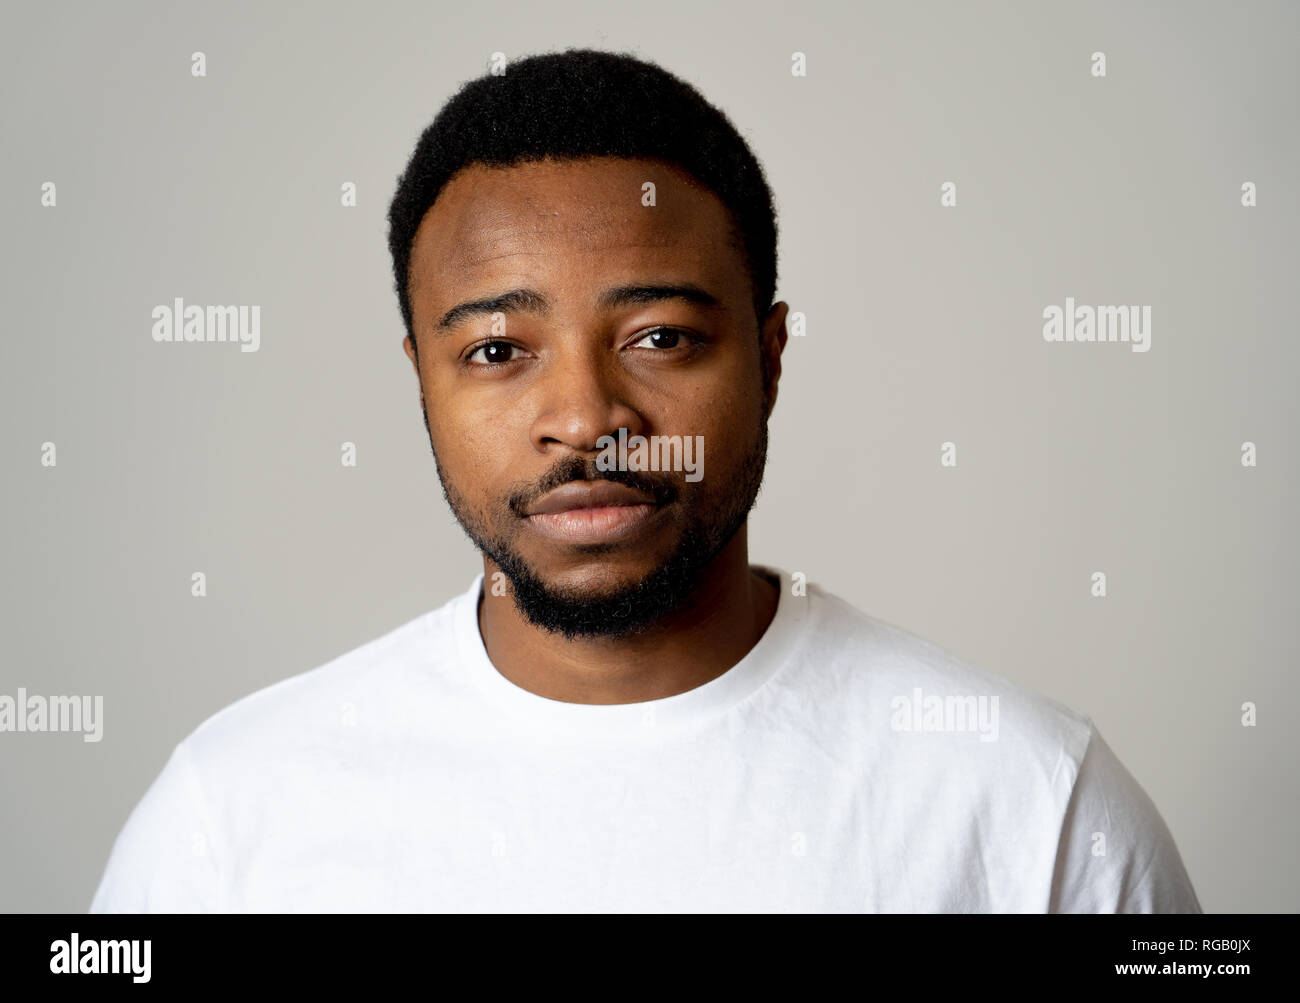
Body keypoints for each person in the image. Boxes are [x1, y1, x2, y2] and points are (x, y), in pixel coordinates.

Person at [90, 48, 1200, 913]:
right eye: (494, 351)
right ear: (420, 379)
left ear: (768, 357)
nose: (585, 420)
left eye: (660, 337)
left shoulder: (1034, 800)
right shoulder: (229, 815)